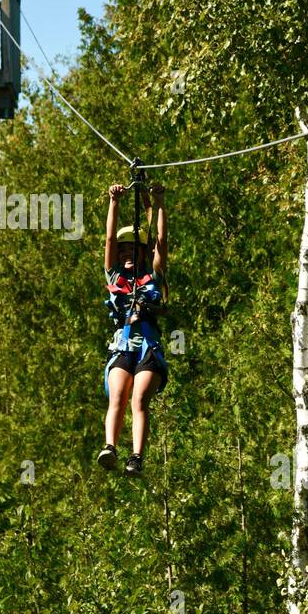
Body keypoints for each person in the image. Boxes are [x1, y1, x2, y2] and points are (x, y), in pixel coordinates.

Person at [97, 182, 168, 476]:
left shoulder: (153, 274)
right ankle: (110, 447)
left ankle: (136, 457)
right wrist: (113, 202)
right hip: (123, 346)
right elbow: (110, 239)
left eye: (132, 249)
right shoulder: (114, 275)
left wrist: (159, 201)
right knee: (118, 397)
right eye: (123, 249)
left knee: (139, 399)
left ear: (141, 252)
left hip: (148, 347)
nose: (126, 253)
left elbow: (161, 241)